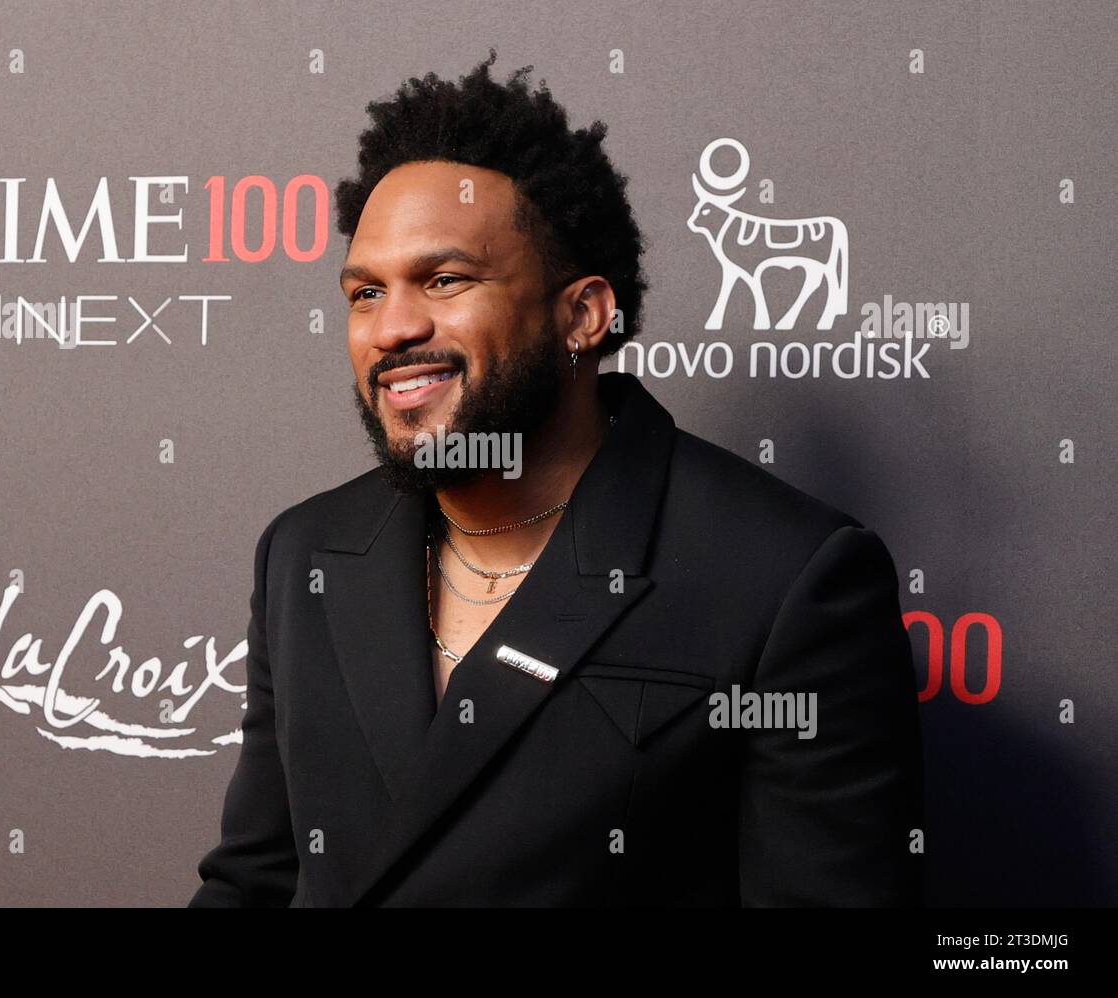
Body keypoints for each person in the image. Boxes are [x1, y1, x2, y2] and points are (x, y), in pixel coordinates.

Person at [188, 50, 924, 906]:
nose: (391, 327)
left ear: (583, 314)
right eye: (363, 293)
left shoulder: (785, 576)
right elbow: (255, 882)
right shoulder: (305, 552)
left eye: (445, 279)